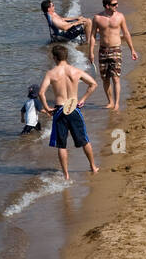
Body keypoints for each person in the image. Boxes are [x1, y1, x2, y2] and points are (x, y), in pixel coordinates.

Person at [37, 43, 100, 179]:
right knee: (84, 140)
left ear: (54, 57)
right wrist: (82, 99)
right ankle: (93, 167)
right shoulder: (76, 71)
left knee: (62, 145)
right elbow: (93, 84)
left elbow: (41, 93)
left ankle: (66, 174)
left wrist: (47, 108)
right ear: (66, 56)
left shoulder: (51, 73)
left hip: (59, 110)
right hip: (73, 109)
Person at [88, 0, 138, 109]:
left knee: (115, 77)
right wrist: (90, 52)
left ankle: (116, 104)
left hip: (116, 49)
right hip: (103, 50)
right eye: (114, 4)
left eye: (116, 4)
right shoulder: (97, 18)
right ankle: (110, 101)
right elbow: (92, 36)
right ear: (107, 6)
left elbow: (126, 33)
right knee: (105, 78)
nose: (117, 6)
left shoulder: (120, 16)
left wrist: (132, 50)